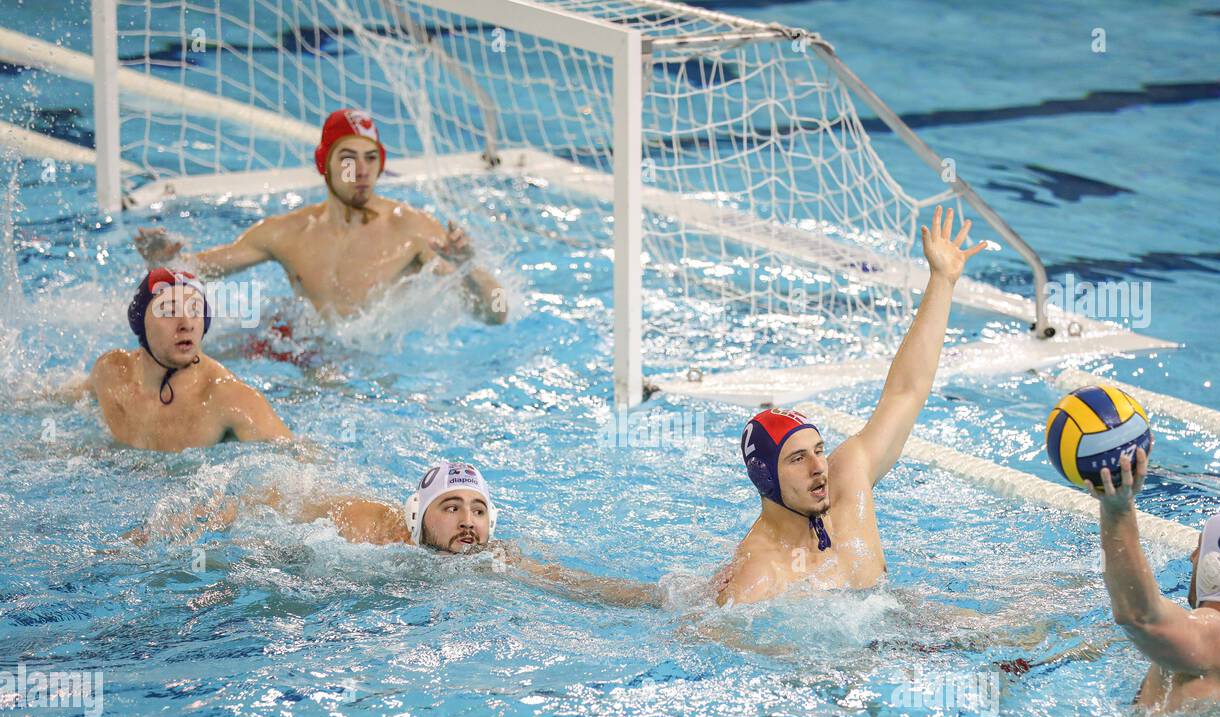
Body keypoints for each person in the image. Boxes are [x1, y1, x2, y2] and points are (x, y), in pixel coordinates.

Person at [715, 205, 987, 604]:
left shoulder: (850, 479)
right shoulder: (759, 575)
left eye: (819, 450)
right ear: (766, 477)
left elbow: (906, 391)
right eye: (797, 459)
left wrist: (942, 280)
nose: (818, 467)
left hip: (915, 634)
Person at [133, 108, 508, 336]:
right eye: (348, 158)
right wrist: (161, 264)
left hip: (373, 374)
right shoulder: (284, 232)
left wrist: (468, 268)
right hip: (300, 350)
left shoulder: (412, 231)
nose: (362, 171)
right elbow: (195, 273)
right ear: (322, 162)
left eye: (371, 158)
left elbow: (495, 315)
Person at [168, 461, 663, 609]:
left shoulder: (496, 557)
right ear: (417, 521)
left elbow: (570, 584)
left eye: (478, 510)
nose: (467, 521)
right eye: (451, 508)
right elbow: (276, 495)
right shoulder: (365, 532)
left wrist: (662, 598)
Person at [1091, 445, 1220, 711]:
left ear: (1215, 566)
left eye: (1200, 548)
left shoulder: (1216, 634)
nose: (1191, 557)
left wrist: (1117, 508)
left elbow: (1138, 616)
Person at [80, 268, 293, 452]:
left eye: (195, 311)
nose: (187, 324)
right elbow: (66, 400)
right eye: (170, 311)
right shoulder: (111, 372)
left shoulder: (228, 398)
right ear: (140, 322)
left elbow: (299, 463)